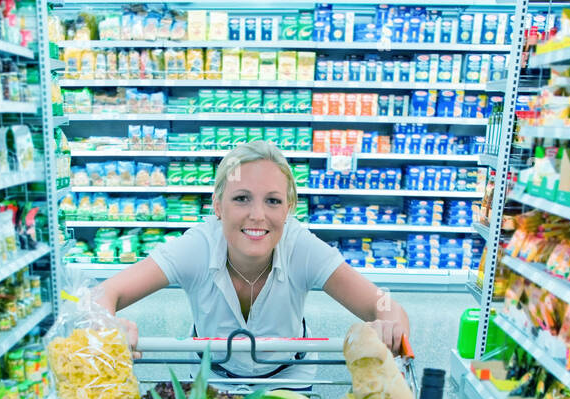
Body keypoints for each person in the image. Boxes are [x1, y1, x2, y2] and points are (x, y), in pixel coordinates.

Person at [91, 139, 412, 379]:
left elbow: (382, 303)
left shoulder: (300, 246)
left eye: (272, 201)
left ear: (288, 209)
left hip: (289, 383)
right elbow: (104, 293)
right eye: (241, 198)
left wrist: (390, 322)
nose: (257, 215)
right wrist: (107, 326)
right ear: (218, 206)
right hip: (211, 382)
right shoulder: (198, 247)